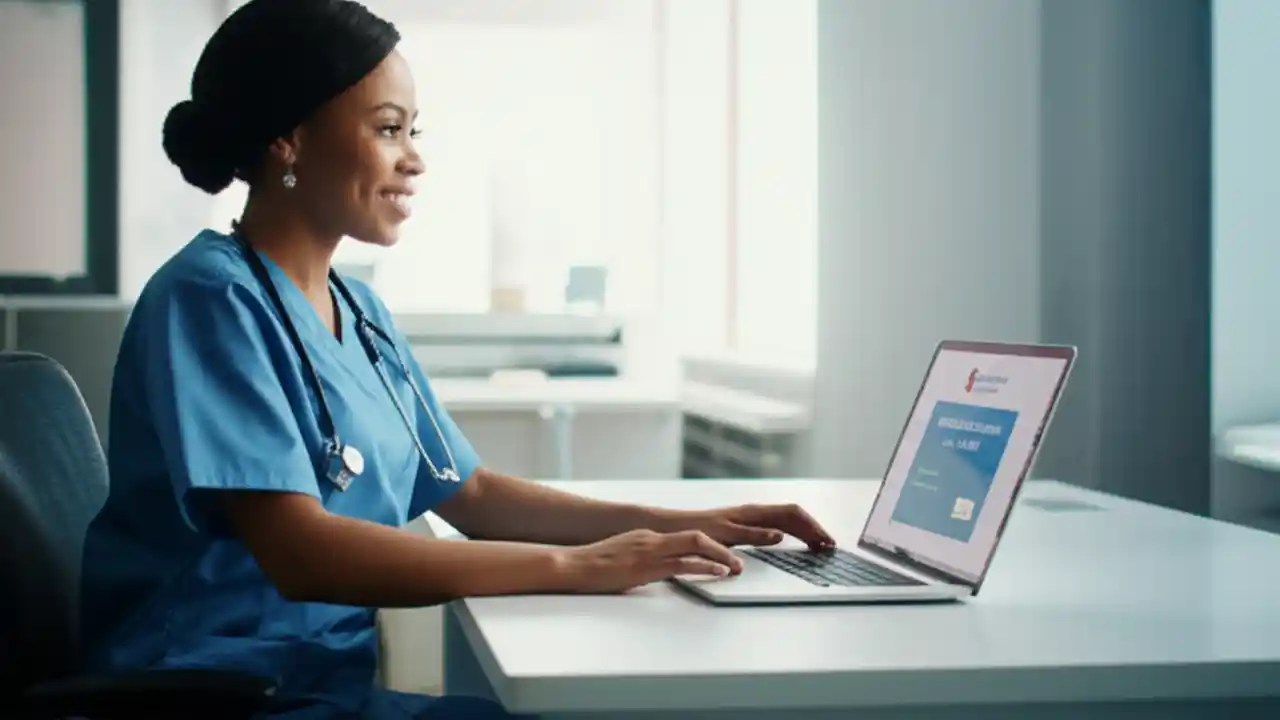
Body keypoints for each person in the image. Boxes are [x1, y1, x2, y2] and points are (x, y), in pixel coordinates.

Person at [78, 1, 836, 718]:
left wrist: (684, 522)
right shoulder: (209, 298)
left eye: (415, 130)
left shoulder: (359, 310)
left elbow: (467, 492)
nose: (415, 161)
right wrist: (578, 568)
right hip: (213, 691)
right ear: (289, 137)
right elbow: (300, 551)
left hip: (319, 685)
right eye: (387, 128)